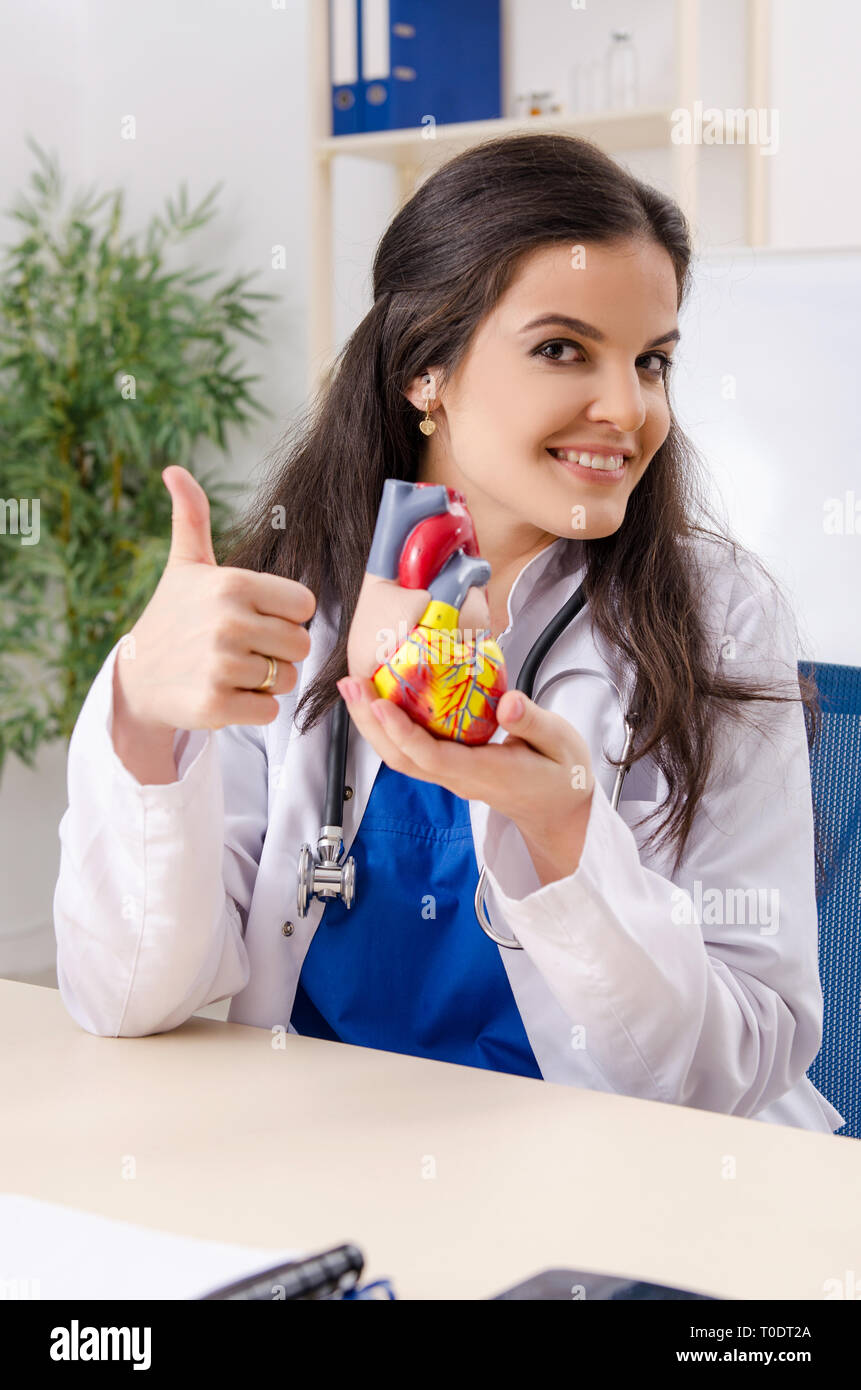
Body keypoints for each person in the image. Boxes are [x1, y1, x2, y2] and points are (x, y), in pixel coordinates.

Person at [53, 133, 844, 1133]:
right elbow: (128, 998)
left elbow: (739, 1061)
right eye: (564, 349)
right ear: (426, 368)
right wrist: (141, 721)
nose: (628, 407)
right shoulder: (291, 596)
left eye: (652, 360)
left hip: (626, 1183)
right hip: (341, 1157)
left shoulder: (714, 611)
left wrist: (563, 836)